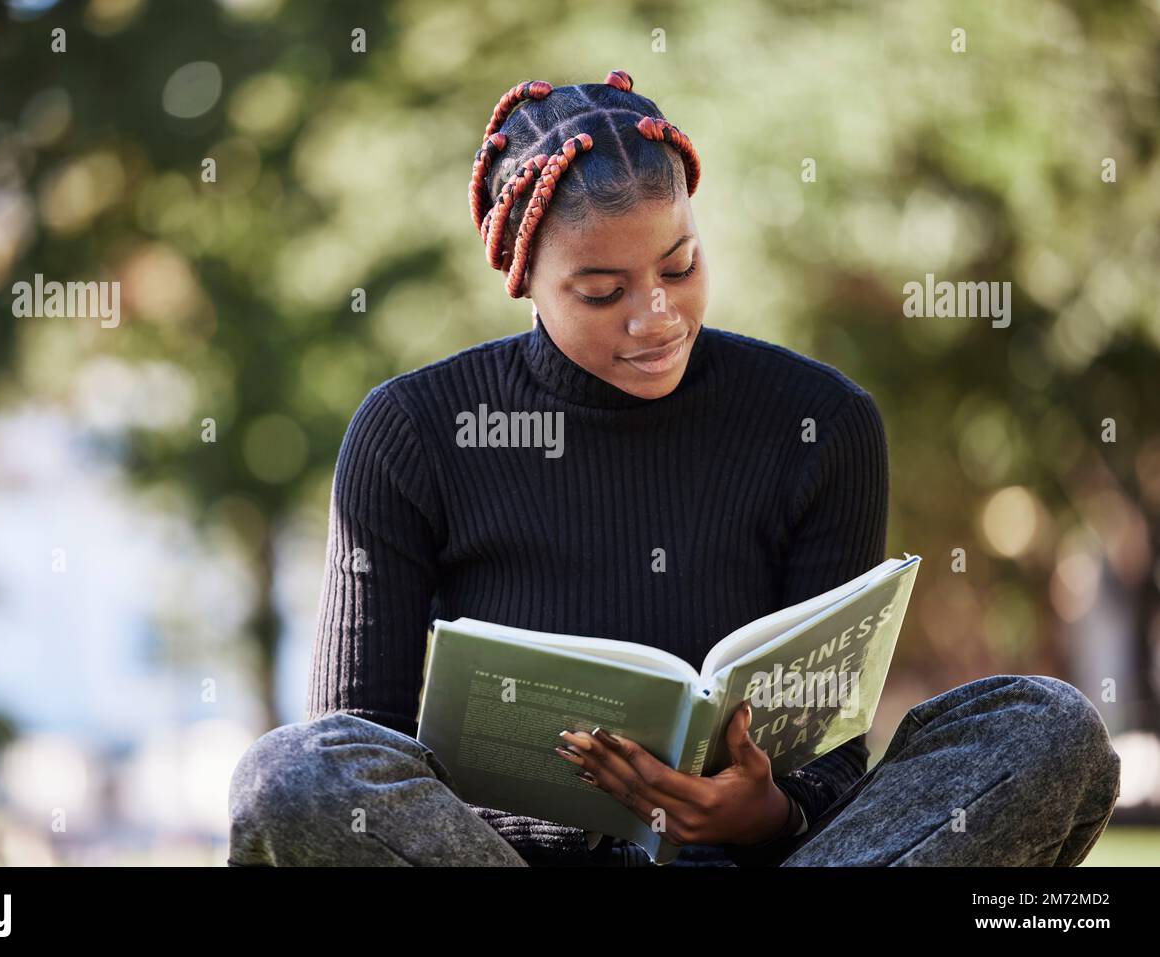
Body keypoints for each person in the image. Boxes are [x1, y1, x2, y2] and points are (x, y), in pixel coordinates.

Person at [227, 70, 1121, 867]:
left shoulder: (820, 421)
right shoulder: (411, 431)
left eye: (681, 266)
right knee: (289, 774)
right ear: (523, 273)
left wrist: (763, 811)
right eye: (602, 292)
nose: (656, 317)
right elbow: (355, 745)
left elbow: (829, 757)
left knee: (1046, 727)